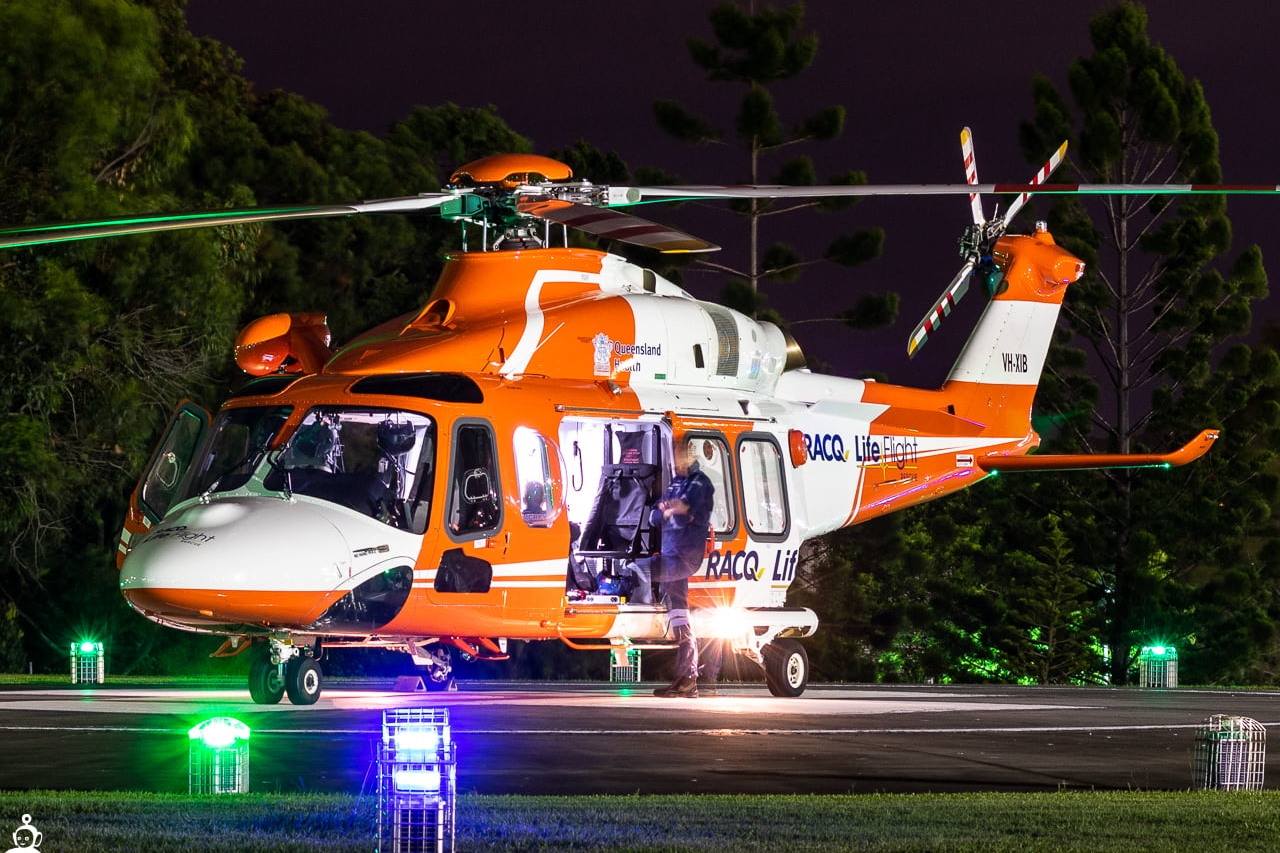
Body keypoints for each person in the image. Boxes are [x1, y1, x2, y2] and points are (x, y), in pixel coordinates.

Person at [630, 439, 714, 698]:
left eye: (680, 456)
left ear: (691, 455)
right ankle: (687, 680)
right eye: (674, 456)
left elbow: (683, 509)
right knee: (680, 616)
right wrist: (666, 510)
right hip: (670, 555)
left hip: (683, 558)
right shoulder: (676, 483)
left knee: (638, 568)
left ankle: (638, 612)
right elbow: (656, 515)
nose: (676, 461)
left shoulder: (700, 483)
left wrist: (671, 509)